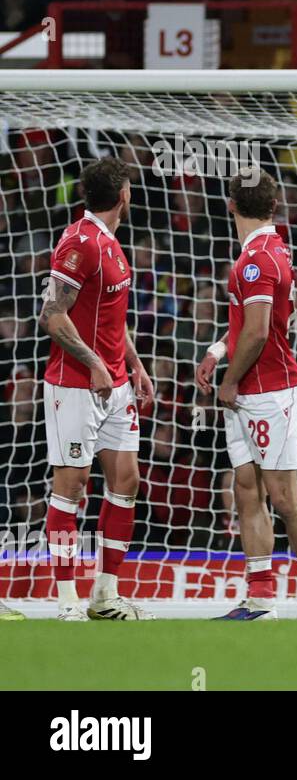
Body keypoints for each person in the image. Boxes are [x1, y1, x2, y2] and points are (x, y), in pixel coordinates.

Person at [196, 169, 297, 621]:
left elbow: (257, 335)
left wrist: (229, 381)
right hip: (251, 387)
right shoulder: (268, 251)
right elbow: (248, 326)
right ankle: (260, 600)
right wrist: (219, 351)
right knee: (245, 489)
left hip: (269, 390)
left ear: (231, 205)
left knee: (283, 497)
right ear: (274, 207)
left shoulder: (256, 261)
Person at [39, 157, 156, 621]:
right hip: (75, 385)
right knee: (71, 487)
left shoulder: (110, 243)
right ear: (123, 195)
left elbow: (111, 316)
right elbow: (52, 314)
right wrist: (93, 363)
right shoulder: (79, 243)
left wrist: (135, 365)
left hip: (117, 384)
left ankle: (104, 597)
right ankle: (68, 602)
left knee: (127, 481)